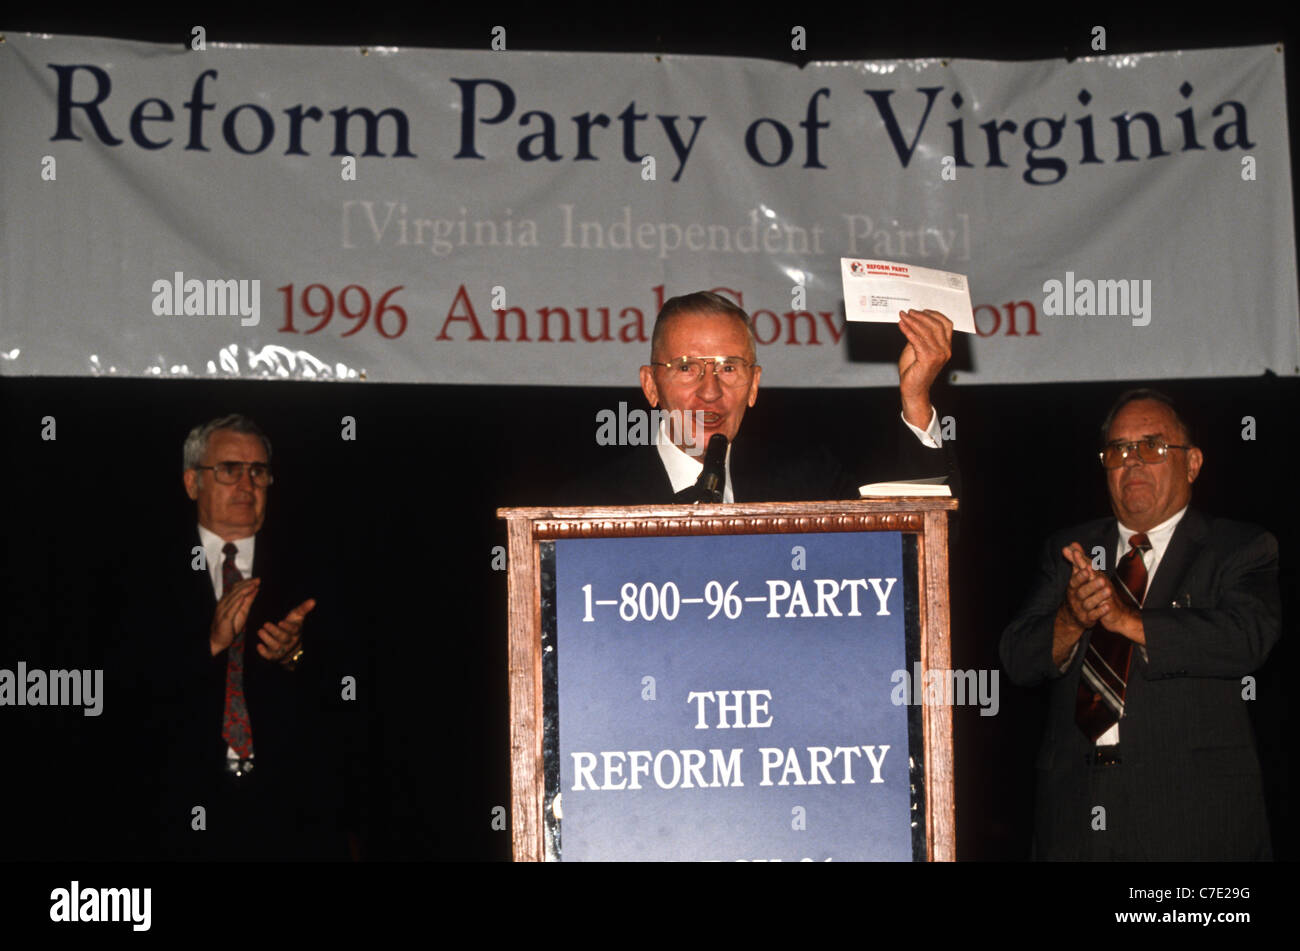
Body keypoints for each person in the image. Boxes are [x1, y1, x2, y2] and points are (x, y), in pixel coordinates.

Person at [999, 389, 1279, 860]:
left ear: (1192, 464)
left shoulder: (1239, 547)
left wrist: (1129, 621)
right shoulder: (1069, 549)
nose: (1132, 462)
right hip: (1075, 817)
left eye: (1151, 447)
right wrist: (1070, 619)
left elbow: (1245, 640)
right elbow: (1016, 660)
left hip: (1193, 818)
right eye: (1118, 450)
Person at [121, 414, 357, 860]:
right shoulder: (141, 572)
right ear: (193, 482)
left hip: (291, 819)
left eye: (259, 471)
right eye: (229, 469)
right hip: (175, 814)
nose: (247, 484)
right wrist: (207, 644)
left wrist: (295, 654)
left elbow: (351, 695)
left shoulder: (314, 566)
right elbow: (126, 688)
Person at [570, 290, 956, 503]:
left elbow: (916, 544)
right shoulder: (590, 504)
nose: (710, 390)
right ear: (651, 385)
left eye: (729, 368)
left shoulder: (809, 486)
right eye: (687, 368)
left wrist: (916, 398)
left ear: (754, 386)